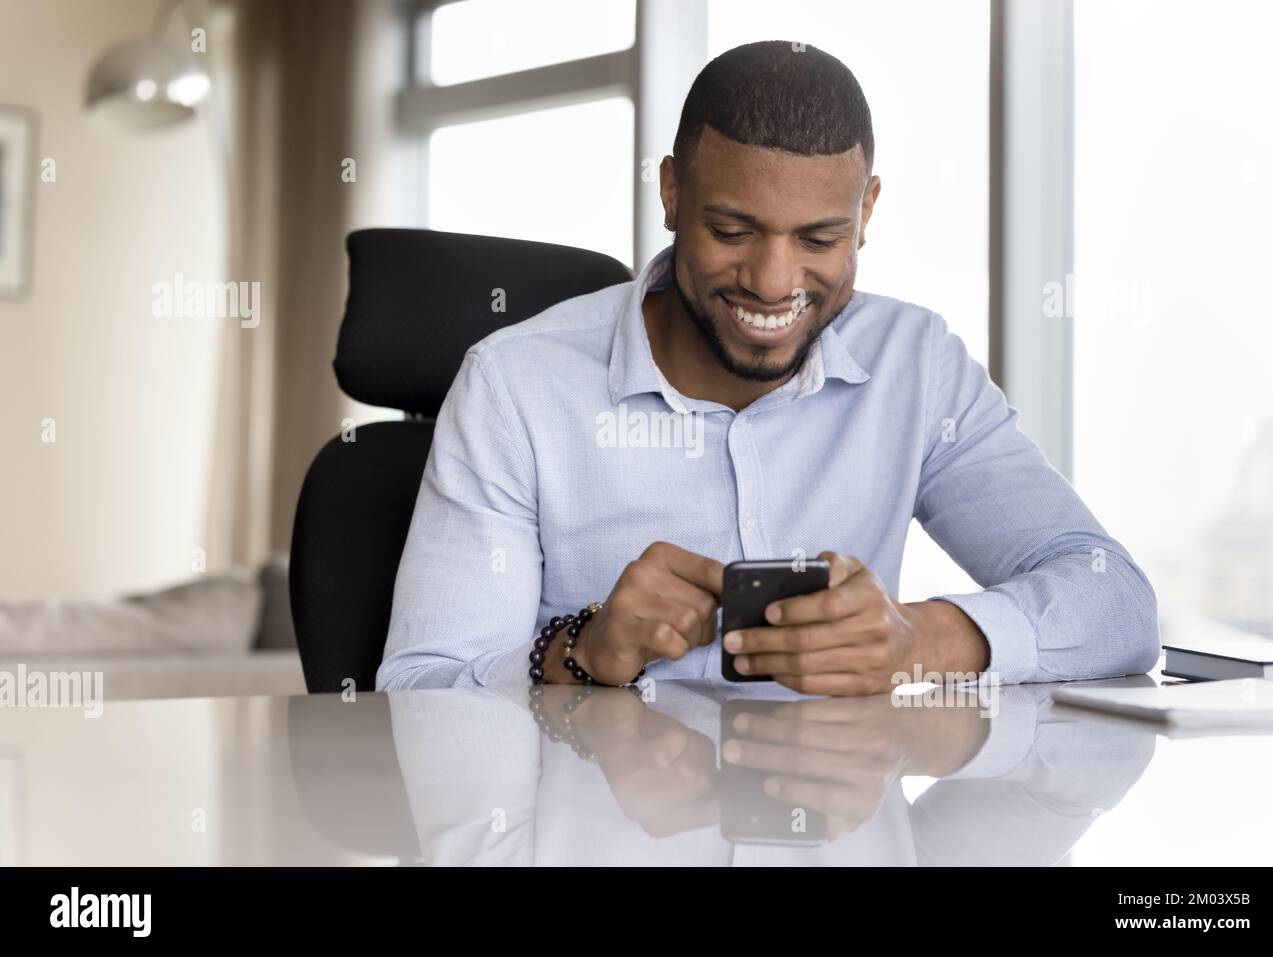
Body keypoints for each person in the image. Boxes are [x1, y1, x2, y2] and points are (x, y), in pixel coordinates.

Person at [377, 40, 1158, 696]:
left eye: (819, 240)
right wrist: (579, 650)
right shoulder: (515, 387)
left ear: (867, 213)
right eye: (732, 229)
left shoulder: (916, 365)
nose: (772, 281)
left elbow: (1116, 601)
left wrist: (920, 638)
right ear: (672, 191)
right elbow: (416, 692)